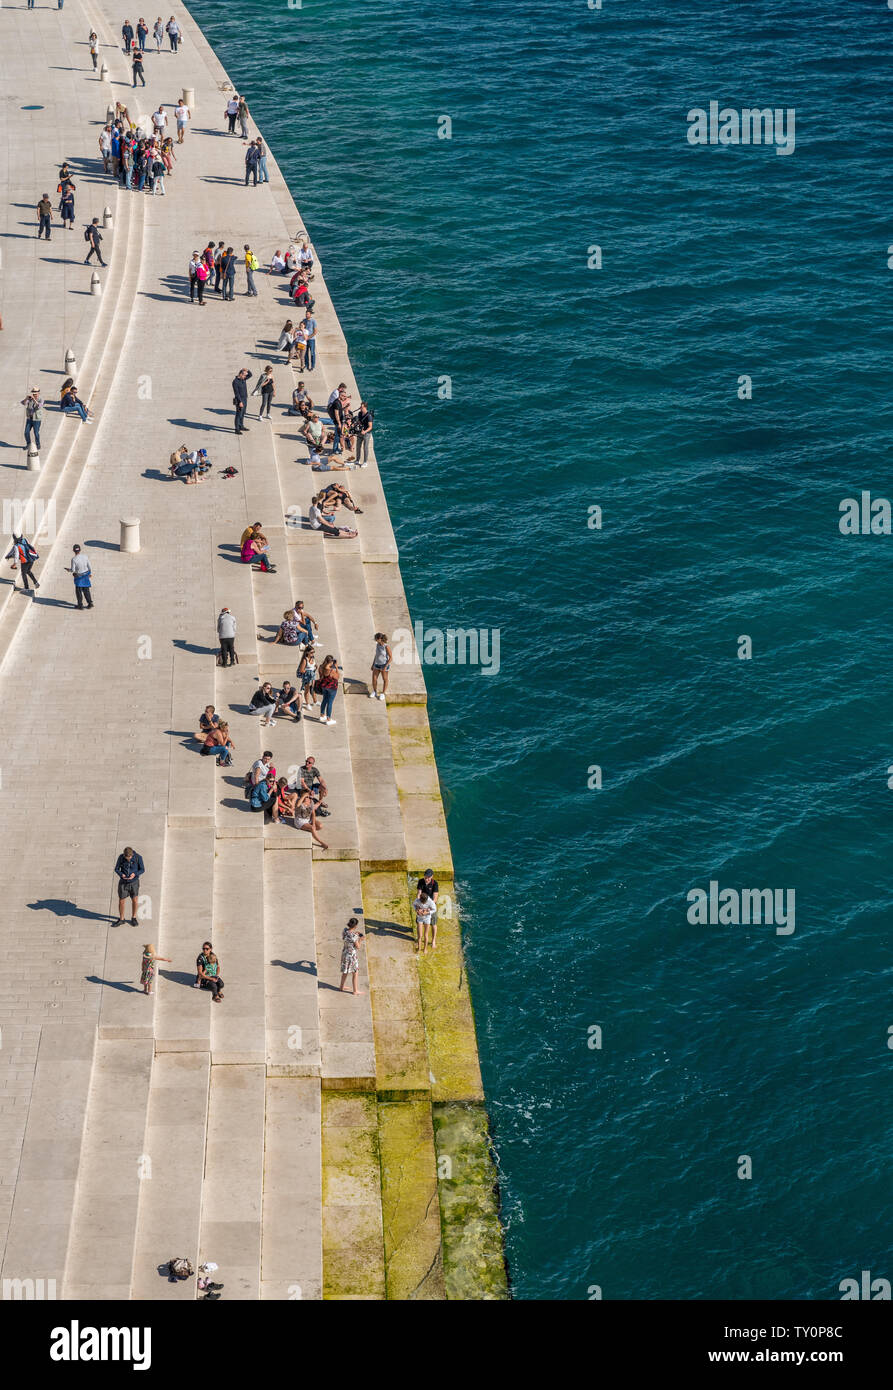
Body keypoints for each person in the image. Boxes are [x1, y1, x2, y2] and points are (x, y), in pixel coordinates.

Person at [114, 846, 145, 925]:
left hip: (134, 882)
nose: (128, 859)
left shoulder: (138, 857)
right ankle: (121, 919)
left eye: (130, 858)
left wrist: (135, 874)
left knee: (134, 900)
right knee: (121, 901)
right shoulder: (121, 857)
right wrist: (122, 875)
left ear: (132, 855)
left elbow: (142, 869)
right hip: (123, 882)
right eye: (127, 858)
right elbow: (116, 869)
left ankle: (134, 918)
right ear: (124, 855)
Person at [339, 919, 364, 994]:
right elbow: (358, 947)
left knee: (345, 971)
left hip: (345, 953)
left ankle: (341, 986)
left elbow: (347, 936)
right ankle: (355, 991)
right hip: (351, 956)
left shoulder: (345, 931)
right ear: (356, 926)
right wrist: (360, 939)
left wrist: (355, 933)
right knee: (355, 973)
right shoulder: (354, 936)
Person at [67, 544, 93, 609]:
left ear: (73, 551)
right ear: (80, 550)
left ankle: (80, 605)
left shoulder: (74, 559)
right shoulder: (85, 556)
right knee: (86, 591)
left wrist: (68, 570)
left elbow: (73, 570)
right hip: (86, 575)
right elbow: (90, 566)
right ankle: (90, 603)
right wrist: (89, 573)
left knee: (78, 592)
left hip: (79, 578)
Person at [317, 655, 341, 726]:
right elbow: (337, 677)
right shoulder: (331, 670)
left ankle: (322, 715)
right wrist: (336, 667)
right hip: (332, 688)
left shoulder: (321, 667)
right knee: (330, 703)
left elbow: (320, 676)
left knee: (324, 700)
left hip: (324, 686)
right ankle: (329, 719)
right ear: (330, 662)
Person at [370, 633, 392, 700]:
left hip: (384, 665)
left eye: (376, 639)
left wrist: (385, 666)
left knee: (385, 679)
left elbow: (391, 658)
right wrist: (373, 664)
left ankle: (383, 693)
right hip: (377, 664)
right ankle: (374, 691)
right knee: (374, 679)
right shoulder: (377, 645)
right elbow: (376, 655)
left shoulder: (386, 647)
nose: (375, 640)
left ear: (380, 639)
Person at [354, 401, 374, 466]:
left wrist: (364, 431)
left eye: (362, 407)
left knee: (365, 447)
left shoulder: (369, 416)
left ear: (365, 407)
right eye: (360, 407)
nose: (360, 408)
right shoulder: (360, 413)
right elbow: (359, 422)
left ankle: (365, 462)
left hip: (366, 433)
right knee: (358, 446)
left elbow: (370, 427)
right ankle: (357, 460)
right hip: (360, 432)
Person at [297, 645, 317, 710]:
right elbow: (301, 670)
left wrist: (315, 667)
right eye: (311, 652)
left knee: (313, 689)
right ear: (307, 652)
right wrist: (309, 671)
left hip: (313, 676)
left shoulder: (313, 658)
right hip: (307, 677)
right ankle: (307, 704)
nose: (313, 653)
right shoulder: (305, 660)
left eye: (313, 652)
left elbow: (314, 665)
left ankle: (315, 701)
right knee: (307, 690)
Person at [232, 367, 251, 433]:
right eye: (244, 375)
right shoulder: (235, 382)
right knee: (238, 414)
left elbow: (250, 375)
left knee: (242, 414)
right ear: (240, 374)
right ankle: (237, 429)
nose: (245, 377)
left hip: (245, 399)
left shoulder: (243, 379)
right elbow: (236, 393)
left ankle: (241, 426)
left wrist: (246, 370)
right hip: (239, 400)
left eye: (245, 375)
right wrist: (240, 402)